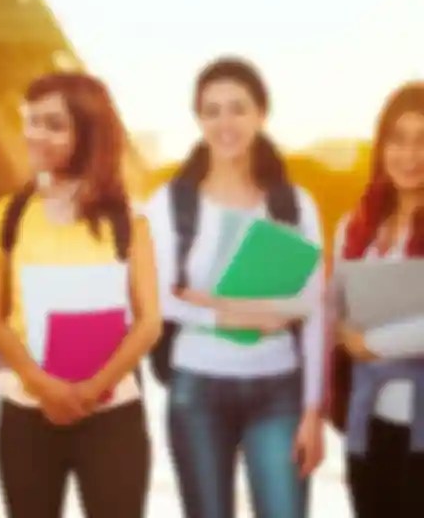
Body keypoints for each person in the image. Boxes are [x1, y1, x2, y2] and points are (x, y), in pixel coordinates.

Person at [144, 57, 326, 518]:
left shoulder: (293, 204)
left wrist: (312, 412)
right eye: (212, 110)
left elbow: (316, 308)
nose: (225, 123)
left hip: (279, 390)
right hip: (196, 389)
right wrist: (234, 314)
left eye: (238, 109)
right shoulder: (171, 205)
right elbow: (155, 296)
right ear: (198, 119)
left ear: (261, 114)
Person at [0, 72, 161, 517]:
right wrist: (45, 389)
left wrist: (93, 390)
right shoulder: (6, 217)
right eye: (32, 120)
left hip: (112, 414)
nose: (35, 134)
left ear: (88, 133)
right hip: (27, 412)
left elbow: (149, 321)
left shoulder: (129, 221)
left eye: (53, 124)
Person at [330, 81, 424, 517]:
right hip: (368, 425)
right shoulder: (356, 227)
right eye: (399, 140)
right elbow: (333, 305)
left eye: (423, 141)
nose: (409, 155)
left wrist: (372, 344)